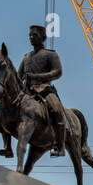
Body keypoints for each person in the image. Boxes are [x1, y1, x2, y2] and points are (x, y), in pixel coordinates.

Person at [18, 24, 67, 156]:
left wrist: (37, 77)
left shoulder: (50, 55)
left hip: (44, 89)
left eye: (34, 35)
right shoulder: (26, 57)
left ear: (43, 37)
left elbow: (58, 72)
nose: (31, 37)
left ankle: (60, 146)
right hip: (27, 91)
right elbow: (18, 77)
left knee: (57, 111)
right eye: (30, 35)